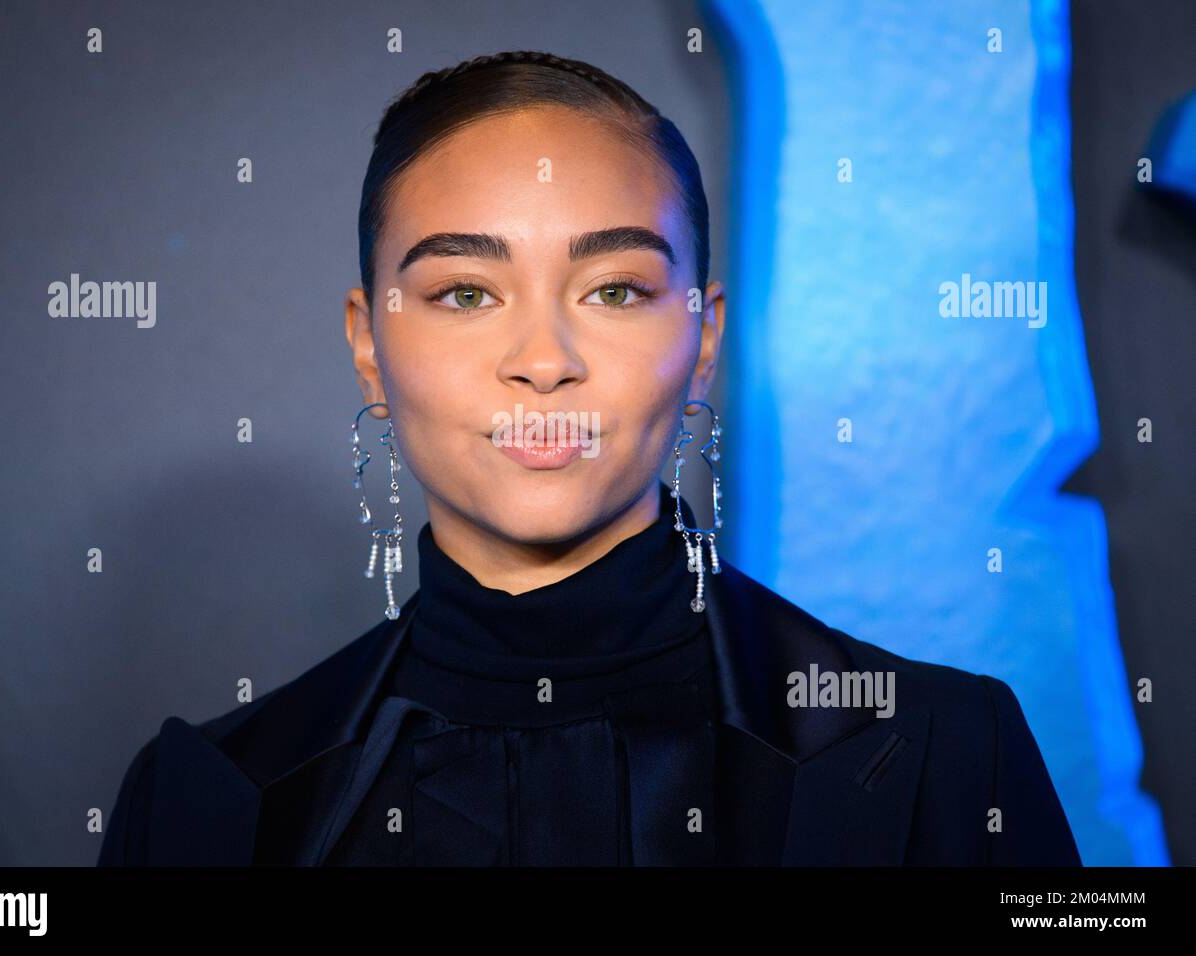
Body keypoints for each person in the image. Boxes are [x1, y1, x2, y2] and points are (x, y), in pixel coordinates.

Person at [97, 49, 1081, 867]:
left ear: (701, 338)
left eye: (613, 290)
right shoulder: (208, 801)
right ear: (369, 344)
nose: (542, 362)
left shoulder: (941, 752)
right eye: (464, 293)